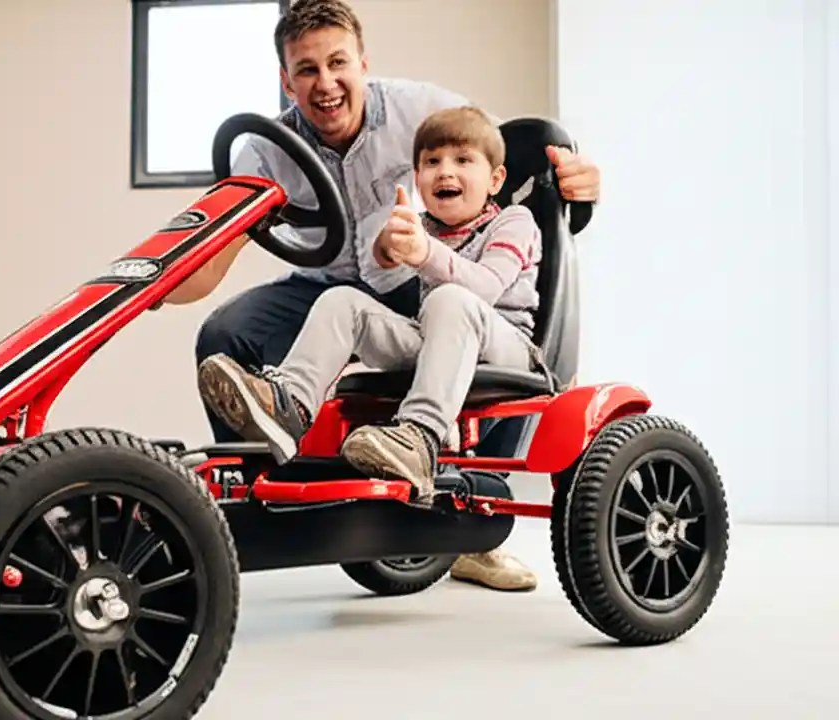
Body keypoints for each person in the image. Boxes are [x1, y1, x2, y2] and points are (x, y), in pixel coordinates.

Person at [164, 0, 600, 592]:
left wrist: (577, 183)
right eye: (307, 70)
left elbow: (511, 155)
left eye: (338, 63)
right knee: (226, 333)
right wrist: (165, 272)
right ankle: (267, 471)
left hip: (426, 289)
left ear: (363, 63)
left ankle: (472, 511)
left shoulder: (425, 112)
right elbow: (204, 265)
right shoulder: (265, 150)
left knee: (451, 307)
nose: (326, 83)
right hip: (334, 287)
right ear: (286, 80)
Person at [197, 105, 540, 504]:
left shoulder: (514, 221)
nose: (445, 171)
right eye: (432, 162)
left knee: (450, 298)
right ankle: (287, 405)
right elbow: (382, 267)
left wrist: (425, 252)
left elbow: (486, 288)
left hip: (505, 348)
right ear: (417, 178)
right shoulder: (423, 225)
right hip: (439, 343)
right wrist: (388, 247)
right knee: (342, 300)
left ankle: (419, 438)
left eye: (463, 160)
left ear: (495, 179)